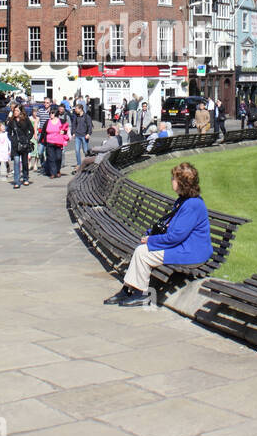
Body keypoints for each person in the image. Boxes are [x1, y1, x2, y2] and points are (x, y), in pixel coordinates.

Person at [104, 162, 212, 307]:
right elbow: (170, 227)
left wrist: (151, 240)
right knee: (141, 250)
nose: (171, 181)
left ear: (182, 183)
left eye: (174, 178)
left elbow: (176, 236)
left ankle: (140, 294)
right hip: (183, 247)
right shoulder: (184, 200)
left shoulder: (192, 205)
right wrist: (150, 236)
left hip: (191, 253)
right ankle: (128, 289)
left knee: (142, 252)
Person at [8, 105, 34, 187]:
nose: (15, 112)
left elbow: (32, 130)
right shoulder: (12, 121)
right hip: (15, 145)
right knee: (16, 162)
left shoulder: (25, 120)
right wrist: (12, 139)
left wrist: (27, 139)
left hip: (24, 144)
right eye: (14, 110)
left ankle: (25, 178)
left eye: (17, 110)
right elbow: (9, 132)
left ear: (21, 112)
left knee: (25, 162)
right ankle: (17, 181)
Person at [43, 106, 70, 178]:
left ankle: (58, 170)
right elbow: (43, 132)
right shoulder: (47, 122)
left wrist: (64, 132)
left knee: (58, 157)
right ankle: (53, 173)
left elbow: (66, 129)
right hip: (49, 142)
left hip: (58, 142)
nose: (50, 114)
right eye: (50, 113)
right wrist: (41, 141)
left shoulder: (61, 121)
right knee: (51, 158)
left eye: (52, 113)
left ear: (55, 113)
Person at [71, 101, 92, 175]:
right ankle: (79, 164)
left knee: (85, 151)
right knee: (77, 150)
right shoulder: (76, 117)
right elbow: (74, 125)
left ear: (80, 109)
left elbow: (90, 125)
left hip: (84, 135)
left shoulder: (86, 117)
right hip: (77, 135)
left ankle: (88, 163)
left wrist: (89, 133)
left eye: (76, 109)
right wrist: (73, 132)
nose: (75, 110)